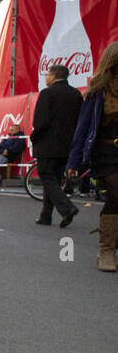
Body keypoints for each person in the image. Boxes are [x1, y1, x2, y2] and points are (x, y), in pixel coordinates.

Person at [66, 41, 118, 272]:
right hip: (106, 153)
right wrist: (73, 163)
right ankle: (107, 251)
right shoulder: (98, 92)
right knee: (117, 193)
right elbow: (83, 130)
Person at [31, 63, 83, 228]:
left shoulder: (47, 94)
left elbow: (41, 121)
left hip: (47, 143)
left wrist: (34, 136)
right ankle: (45, 215)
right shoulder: (76, 94)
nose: (46, 77)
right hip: (68, 144)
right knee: (54, 179)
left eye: (47, 74)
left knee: (47, 177)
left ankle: (67, 208)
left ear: (54, 76)